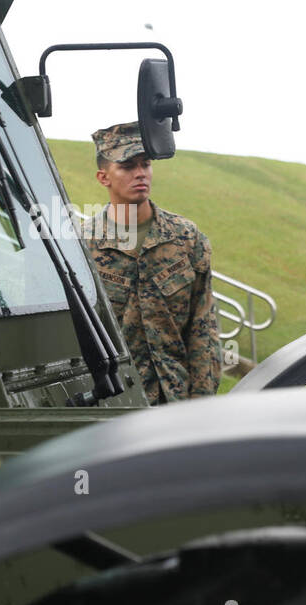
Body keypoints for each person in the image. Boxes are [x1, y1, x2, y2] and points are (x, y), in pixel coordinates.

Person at [83, 121, 221, 404]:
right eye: (127, 166)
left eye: (145, 164)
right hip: (113, 404)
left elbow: (203, 329)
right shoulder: (83, 245)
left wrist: (202, 403)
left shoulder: (185, 238)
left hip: (175, 402)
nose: (140, 174)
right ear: (103, 177)